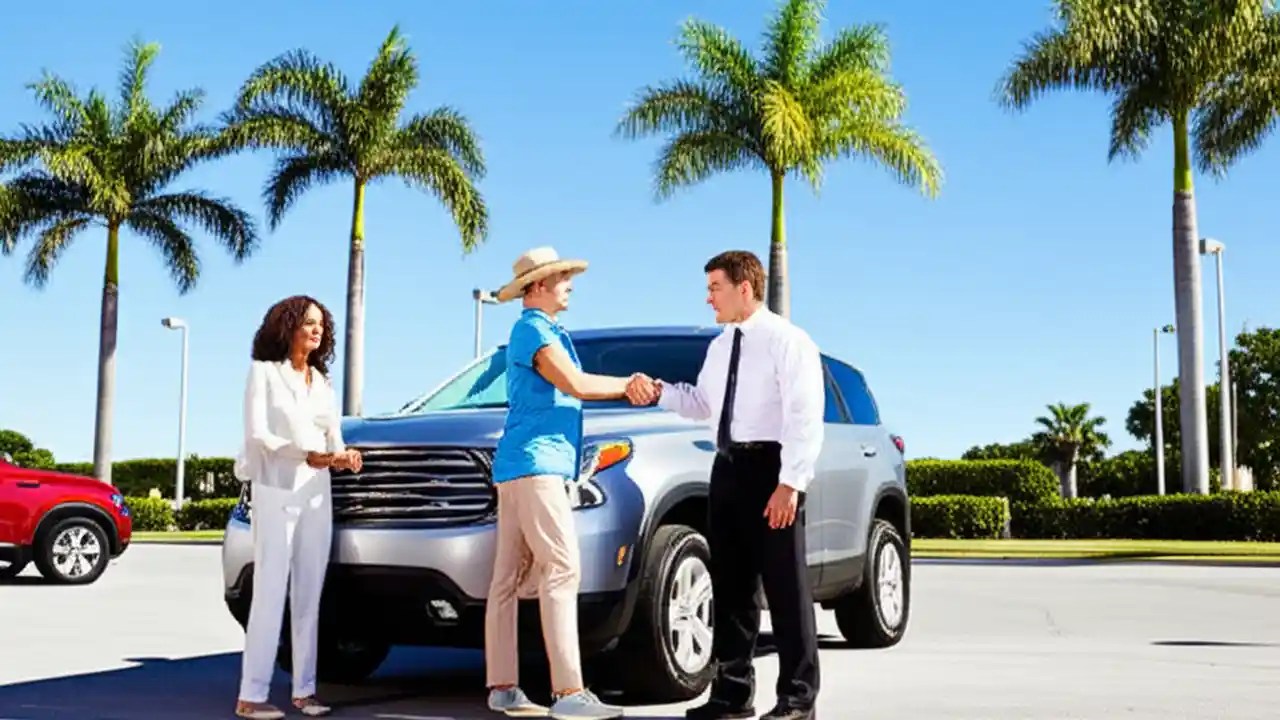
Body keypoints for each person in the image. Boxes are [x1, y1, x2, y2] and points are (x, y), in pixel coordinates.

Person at [629, 250, 824, 720]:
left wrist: (790, 483)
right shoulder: (720, 348)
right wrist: (660, 393)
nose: (708, 297)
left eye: (715, 287)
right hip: (728, 470)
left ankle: (798, 699)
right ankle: (732, 695)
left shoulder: (789, 342)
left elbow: (804, 418)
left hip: (772, 471)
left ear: (744, 287)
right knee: (732, 587)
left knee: (786, 588)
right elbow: (702, 404)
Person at [483, 246, 644, 720]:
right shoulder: (532, 329)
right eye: (562, 277)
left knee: (507, 580)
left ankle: (503, 687)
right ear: (537, 287)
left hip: (520, 465)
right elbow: (575, 383)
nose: (570, 283)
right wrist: (629, 383)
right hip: (537, 466)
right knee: (561, 568)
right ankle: (568, 693)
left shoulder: (542, 330)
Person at [233, 295, 363, 720]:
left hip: (316, 491)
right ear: (286, 326)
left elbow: (333, 434)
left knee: (309, 592)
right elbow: (258, 435)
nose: (317, 329)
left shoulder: (322, 382)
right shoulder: (265, 374)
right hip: (275, 488)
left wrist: (343, 456)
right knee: (270, 591)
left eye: (321, 324)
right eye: (309, 323)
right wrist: (305, 452)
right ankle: (251, 696)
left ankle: (304, 692)